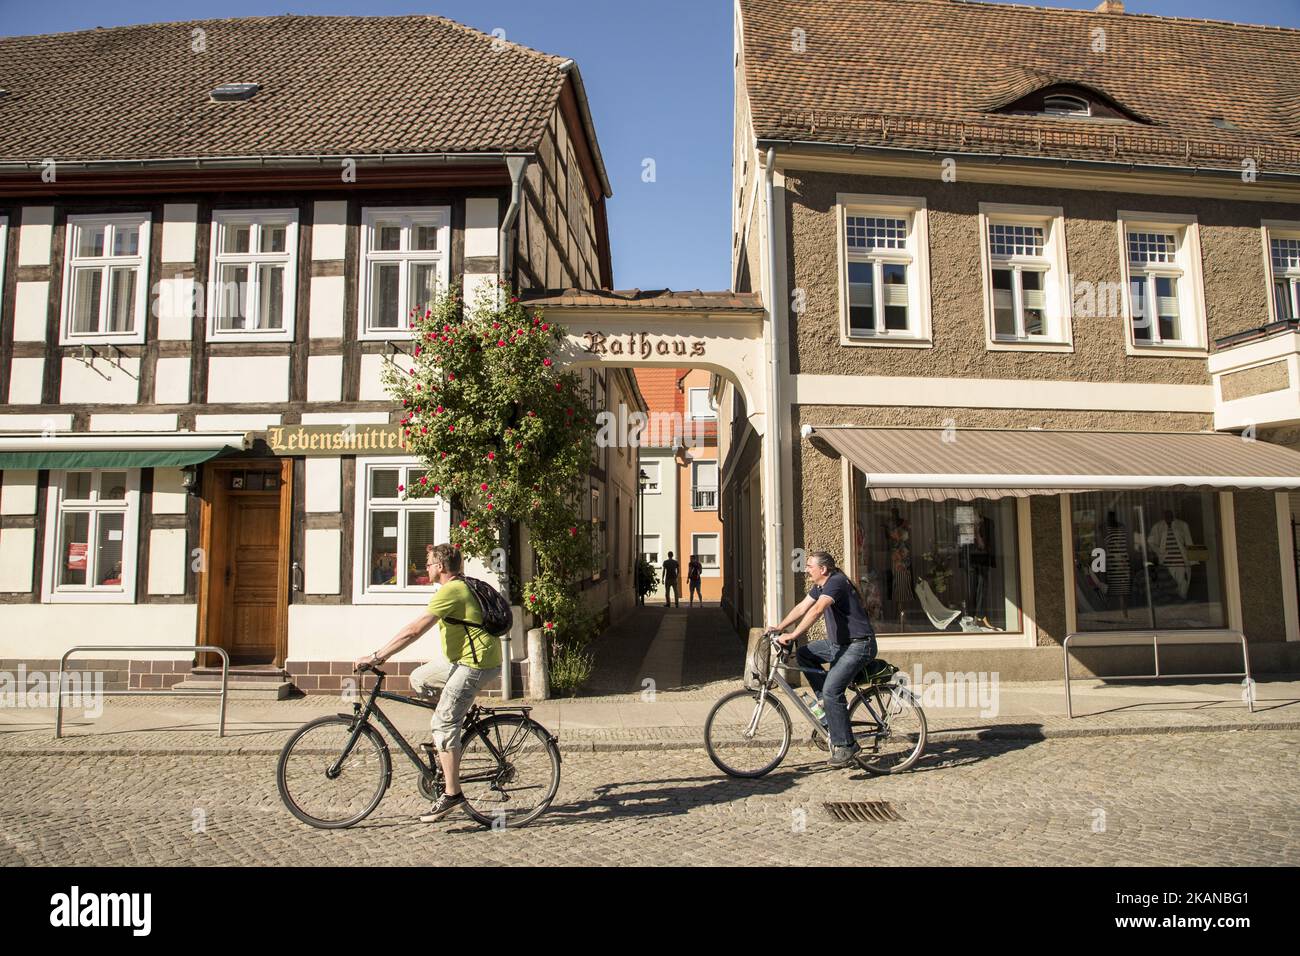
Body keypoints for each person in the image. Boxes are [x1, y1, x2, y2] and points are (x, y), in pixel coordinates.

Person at [355, 543, 501, 823]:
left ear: (442, 567)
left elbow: (414, 630)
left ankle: (452, 794)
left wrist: (376, 656)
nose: (427, 568)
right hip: (460, 659)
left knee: (443, 723)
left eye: (430, 563)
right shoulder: (457, 586)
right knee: (418, 678)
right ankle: (450, 728)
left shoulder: (453, 590)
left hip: (476, 663)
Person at [768, 551, 876, 768]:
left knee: (832, 690)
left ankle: (846, 745)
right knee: (804, 654)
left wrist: (793, 635)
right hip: (838, 645)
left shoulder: (835, 583)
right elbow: (802, 607)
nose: (806, 569)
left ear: (823, 569)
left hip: (859, 645)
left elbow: (817, 610)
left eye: (809, 566)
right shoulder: (820, 586)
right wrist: (779, 627)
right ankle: (827, 706)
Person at [1148, 508, 1194, 599]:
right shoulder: (1158, 526)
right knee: (1169, 585)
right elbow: (1150, 541)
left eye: (1170, 514)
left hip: (1181, 561)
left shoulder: (1182, 525)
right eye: (1166, 514)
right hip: (1166, 563)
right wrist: (1160, 552)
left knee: (1182, 583)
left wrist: (1193, 560)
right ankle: (1171, 602)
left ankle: (1182, 600)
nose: (1168, 516)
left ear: (1173, 514)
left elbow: (1189, 542)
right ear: (1163, 515)